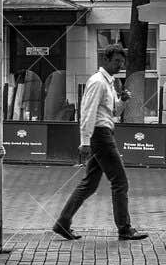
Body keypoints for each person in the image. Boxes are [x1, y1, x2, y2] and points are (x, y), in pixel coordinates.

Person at [52, 46, 148, 241]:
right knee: (120, 181)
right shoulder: (97, 82)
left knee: (89, 184)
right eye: (117, 62)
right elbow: (87, 112)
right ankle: (124, 229)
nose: (120, 65)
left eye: (122, 62)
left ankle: (63, 222)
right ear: (106, 59)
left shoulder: (109, 83)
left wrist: (122, 101)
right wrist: (85, 141)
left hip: (103, 132)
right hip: (101, 135)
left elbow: (113, 112)